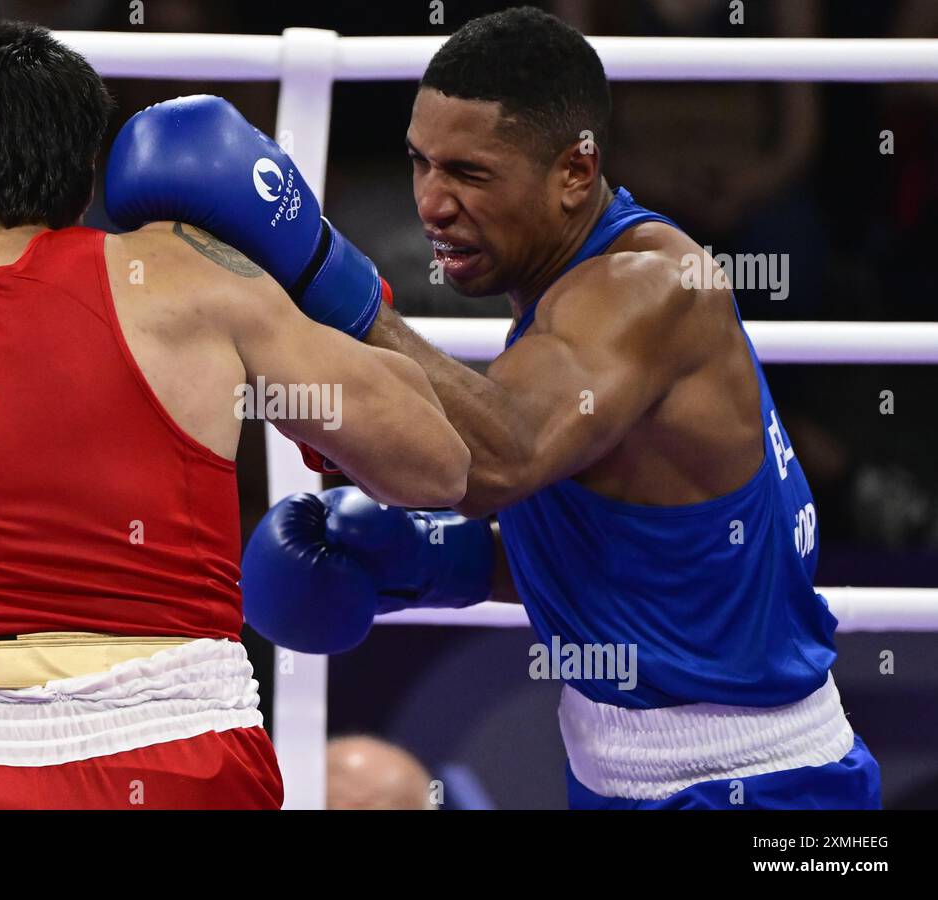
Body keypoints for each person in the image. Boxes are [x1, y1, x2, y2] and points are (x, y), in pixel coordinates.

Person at [108, 7, 881, 809]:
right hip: (621, 772)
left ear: (575, 173)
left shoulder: (645, 288)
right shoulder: (560, 296)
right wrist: (437, 560)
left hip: (760, 785)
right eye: (420, 164)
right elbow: (635, 551)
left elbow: (499, 457)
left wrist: (323, 274)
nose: (432, 203)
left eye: (470, 174)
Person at [0, 20, 470, 810]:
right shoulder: (181, 282)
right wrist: (315, 265)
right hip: (175, 760)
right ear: (82, 180)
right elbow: (437, 463)